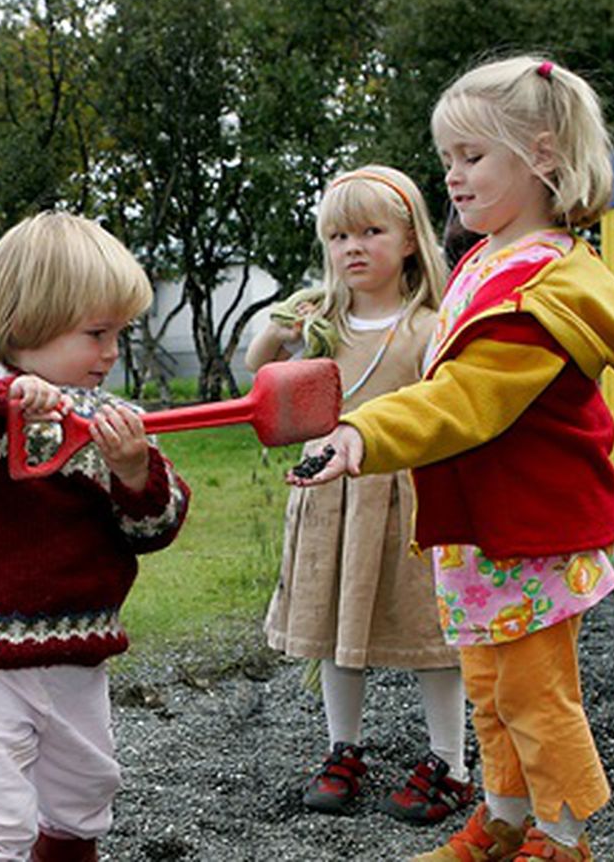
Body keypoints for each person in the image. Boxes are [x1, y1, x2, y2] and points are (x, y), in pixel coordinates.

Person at [290, 57, 614, 862]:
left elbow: (467, 399)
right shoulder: (489, 258)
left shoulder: (538, 285)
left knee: (538, 695)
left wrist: (364, 432)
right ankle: (502, 818)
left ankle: (562, 838)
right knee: (494, 692)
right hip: (483, 529)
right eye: (447, 160)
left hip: (528, 527)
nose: (452, 178)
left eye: (472, 157)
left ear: (539, 156)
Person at [0, 211, 191, 862]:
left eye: (119, 333)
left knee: (82, 799)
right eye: (96, 333)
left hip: (76, 651)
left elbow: (152, 529)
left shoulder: (114, 423)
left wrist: (137, 471)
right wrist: (5, 401)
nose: (111, 352)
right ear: (27, 325)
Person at [246, 165, 469, 825]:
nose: (354, 247)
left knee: (431, 634)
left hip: (410, 502)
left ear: (409, 240)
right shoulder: (322, 324)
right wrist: (281, 327)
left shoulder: (431, 322)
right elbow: (261, 372)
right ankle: (343, 748)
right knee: (333, 628)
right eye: (339, 235)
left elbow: (450, 406)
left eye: (372, 231)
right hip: (330, 495)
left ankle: (450, 761)